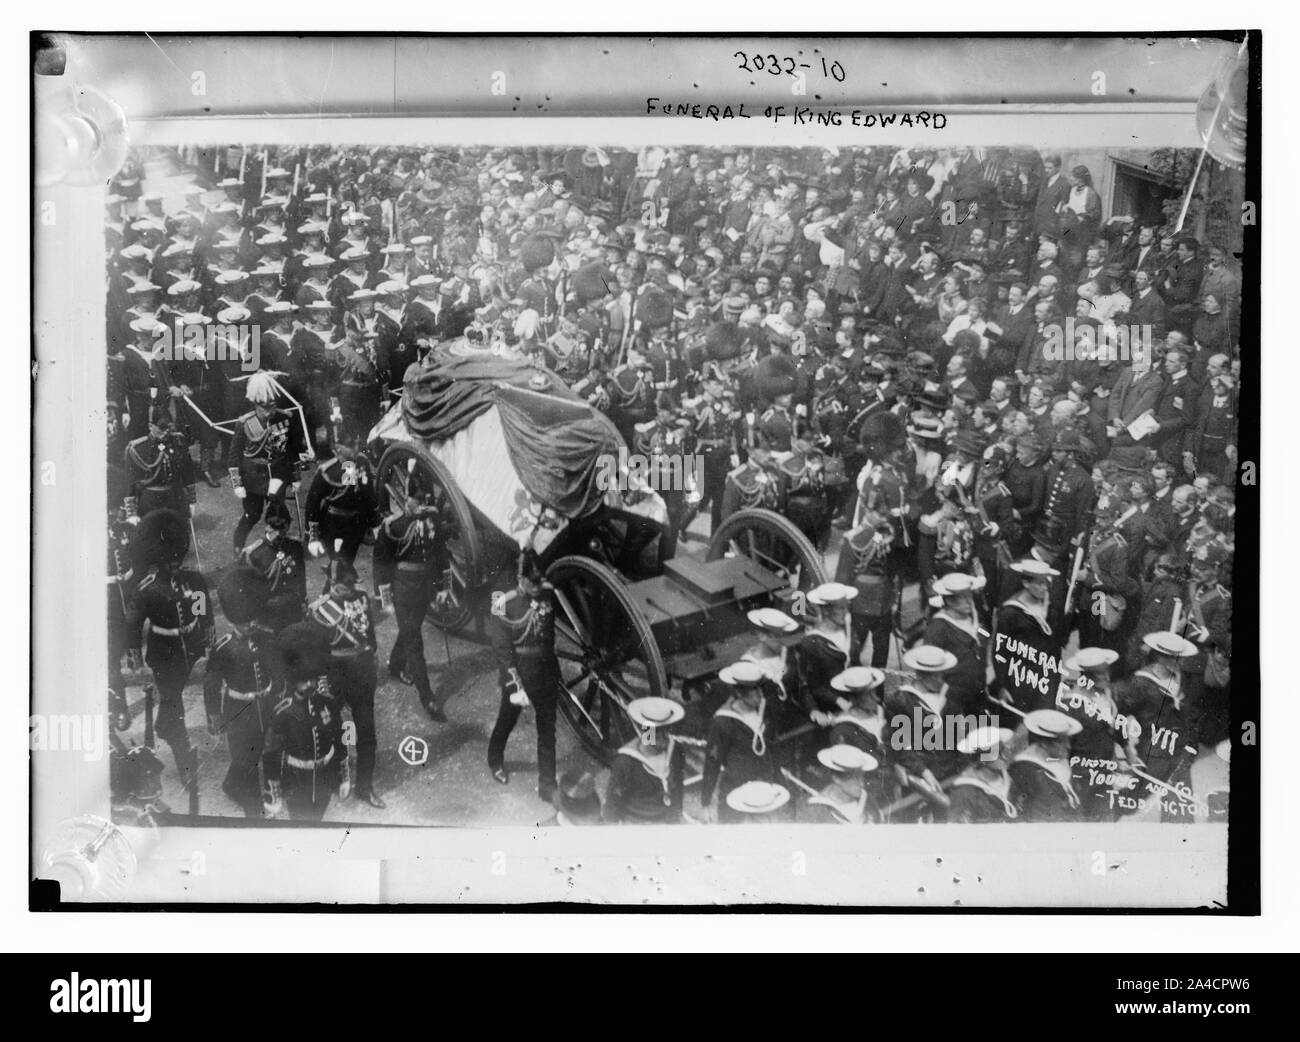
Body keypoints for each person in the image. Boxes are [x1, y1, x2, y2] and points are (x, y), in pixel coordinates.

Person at [129, 509, 212, 805]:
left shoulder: (194, 580)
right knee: (172, 707)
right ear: (159, 559)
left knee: (171, 704)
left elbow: (202, 610)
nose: (175, 565)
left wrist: (205, 636)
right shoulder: (148, 589)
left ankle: (167, 726)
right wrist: (135, 657)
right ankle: (183, 757)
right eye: (170, 561)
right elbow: (134, 624)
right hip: (163, 654)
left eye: (177, 560)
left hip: (188, 649)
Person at [486, 550, 560, 803]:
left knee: (547, 731)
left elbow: (549, 634)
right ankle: (495, 759)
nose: (538, 587)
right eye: (533, 582)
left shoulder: (548, 592)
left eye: (540, 581)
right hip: (520, 674)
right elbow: (501, 648)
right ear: (521, 578)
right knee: (507, 720)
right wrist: (514, 684)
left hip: (546, 671)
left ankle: (547, 785)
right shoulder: (504, 602)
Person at [311, 558, 385, 808]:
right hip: (336, 675)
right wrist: (322, 682)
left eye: (352, 584)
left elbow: (370, 632)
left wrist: (371, 654)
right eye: (345, 586)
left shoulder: (362, 597)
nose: (351, 590)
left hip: (362, 673)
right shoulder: (320, 610)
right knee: (336, 730)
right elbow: (318, 654)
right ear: (332, 583)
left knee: (366, 732)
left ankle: (365, 786)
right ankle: (338, 774)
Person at [204, 567, 276, 817]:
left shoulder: (266, 637)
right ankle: (253, 812)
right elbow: (211, 683)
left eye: (253, 618)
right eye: (245, 621)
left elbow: (275, 671)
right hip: (238, 710)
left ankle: (231, 785)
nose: (251, 623)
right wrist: (214, 715)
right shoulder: (223, 648)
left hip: (264, 704)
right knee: (246, 760)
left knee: (265, 749)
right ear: (234, 619)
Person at [262, 622, 349, 821]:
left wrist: (343, 777)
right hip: (296, 781)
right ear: (293, 680)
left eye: (313, 678)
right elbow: (271, 756)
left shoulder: (327, 703)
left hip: (325, 778)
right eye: (304, 680)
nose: (310, 684)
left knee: (318, 816)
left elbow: (341, 738)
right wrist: (273, 795)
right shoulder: (282, 712)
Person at [373, 503, 447, 721]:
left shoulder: (433, 519)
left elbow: (442, 553)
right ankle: (428, 697)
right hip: (402, 588)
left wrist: (445, 587)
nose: (421, 505)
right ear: (406, 499)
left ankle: (395, 665)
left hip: (425, 587)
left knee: (409, 629)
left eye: (424, 499)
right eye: (416, 499)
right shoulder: (393, 525)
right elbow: (380, 562)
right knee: (414, 641)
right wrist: (384, 598)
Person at [699, 661, 782, 823]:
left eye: (760, 688)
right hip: (737, 789)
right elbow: (712, 762)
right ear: (738, 692)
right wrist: (705, 803)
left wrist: (779, 783)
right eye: (753, 690)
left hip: (764, 784)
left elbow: (772, 749)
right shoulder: (723, 722)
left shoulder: (764, 711)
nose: (759, 695)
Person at [227, 371, 299, 551]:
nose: (270, 411)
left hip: (277, 473)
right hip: (252, 477)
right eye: (265, 408)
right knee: (252, 515)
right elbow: (234, 457)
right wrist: (237, 484)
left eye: (272, 406)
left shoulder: (284, 418)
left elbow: (291, 449)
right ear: (256, 406)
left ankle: (276, 548)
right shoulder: (244, 423)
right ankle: (238, 547)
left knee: (279, 515)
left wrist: (296, 476)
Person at [993, 558, 1063, 713]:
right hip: (1020, 677)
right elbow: (1000, 652)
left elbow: (1055, 646)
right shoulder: (1010, 613)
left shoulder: (1050, 608)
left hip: (1046, 677)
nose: (1044, 588)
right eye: (1039, 583)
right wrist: (1002, 685)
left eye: (1046, 583)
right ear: (1026, 583)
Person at [603, 697, 687, 824]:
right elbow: (613, 801)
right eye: (659, 733)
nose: (666, 738)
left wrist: (676, 818)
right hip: (638, 824)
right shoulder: (625, 762)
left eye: (667, 731)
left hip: (667, 821)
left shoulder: (675, 751)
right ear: (647, 733)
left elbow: (678, 787)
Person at [921, 572, 989, 715]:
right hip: (952, 697)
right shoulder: (938, 627)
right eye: (962, 598)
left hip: (978, 692)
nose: (969, 602)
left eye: (969, 596)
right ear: (949, 601)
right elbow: (929, 666)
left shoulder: (975, 618)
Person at [1009, 709, 1083, 822]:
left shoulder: (1061, 763)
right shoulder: (1024, 769)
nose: (1068, 746)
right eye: (1061, 741)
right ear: (1043, 743)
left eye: (1068, 740)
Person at [240, 513, 307, 633]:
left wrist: (303, 600)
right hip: (269, 611)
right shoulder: (254, 553)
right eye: (277, 534)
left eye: (283, 533)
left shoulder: (295, 547)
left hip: (292, 606)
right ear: (268, 528)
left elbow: (301, 577)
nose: (280, 539)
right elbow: (249, 588)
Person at [948, 725, 1019, 823]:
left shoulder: (1011, 778)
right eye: (998, 753)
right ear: (981, 759)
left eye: (1004, 749)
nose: (1006, 756)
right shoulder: (965, 792)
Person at [799, 744, 879, 824]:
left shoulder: (869, 802)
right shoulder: (817, 809)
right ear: (836, 778)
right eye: (854, 778)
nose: (862, 784)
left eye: (862, 776)